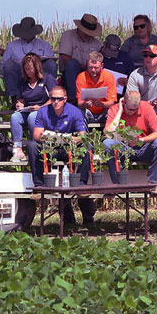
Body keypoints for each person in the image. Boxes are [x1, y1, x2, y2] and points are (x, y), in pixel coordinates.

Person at [26, 89, 94, 227]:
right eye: (53, 99)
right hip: (50, 146)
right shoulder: (43, 111)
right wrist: (48, 137)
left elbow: (82, 135)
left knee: (87, 147)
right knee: (32, 146)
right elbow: (36, 135)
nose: (56, 102)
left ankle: (82, 184)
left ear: (65, 99)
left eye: (59, 99)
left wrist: (74, 140)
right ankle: (39, 185)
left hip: (69, 146)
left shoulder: (74, 111)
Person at [104, 89, 157, 184]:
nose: (132, 112)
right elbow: (108, 134)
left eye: (135, 109)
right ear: (124, 102)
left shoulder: (146, 107)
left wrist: (140, 140)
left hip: (143, 146)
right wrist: (120, 111)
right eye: (130, 109)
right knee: (107, 143)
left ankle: (153, 182)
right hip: (124, 147)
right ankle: (117, 183)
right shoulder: (114, 109)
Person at [9, 53, 54, 157]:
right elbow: (22, 99)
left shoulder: (47, 79)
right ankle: (18, 148)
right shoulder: (23, 82)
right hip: (29, 109)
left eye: (31, 68)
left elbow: (54, 98)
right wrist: (20, 104)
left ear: (37, 67)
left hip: (45, 109)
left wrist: (40, 107)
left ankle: (36, 145)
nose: (28, 71)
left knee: (33, 117)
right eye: (26, 69)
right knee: (15, 117)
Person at [0, 17, 56, 98]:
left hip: (39, 72)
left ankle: (52, 93)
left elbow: (50, 62)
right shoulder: (12, 45)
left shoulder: (44, 45)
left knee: (51, 63)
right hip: (19, 73)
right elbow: (3, 65)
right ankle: (14, 96)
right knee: (8, 65)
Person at [58, 14, 104, 94]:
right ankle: (73, 97)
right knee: (72, 64)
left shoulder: (98, 43)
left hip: (91, 74)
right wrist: (86, 66)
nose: (88, 35)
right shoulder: (67, 36)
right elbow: (65, 58)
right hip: (71, 74)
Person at [74, 50, 118, 122]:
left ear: (102, 66)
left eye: (96, 68)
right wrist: (85, 104)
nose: (93, 70)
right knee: (79, 113)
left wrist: (101, 104)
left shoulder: (109, 77)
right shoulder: (81, 77)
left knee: (113, 111)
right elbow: (79, 103)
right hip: (87, 111)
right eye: (90, 67)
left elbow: (111, 103)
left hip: (104, 111)